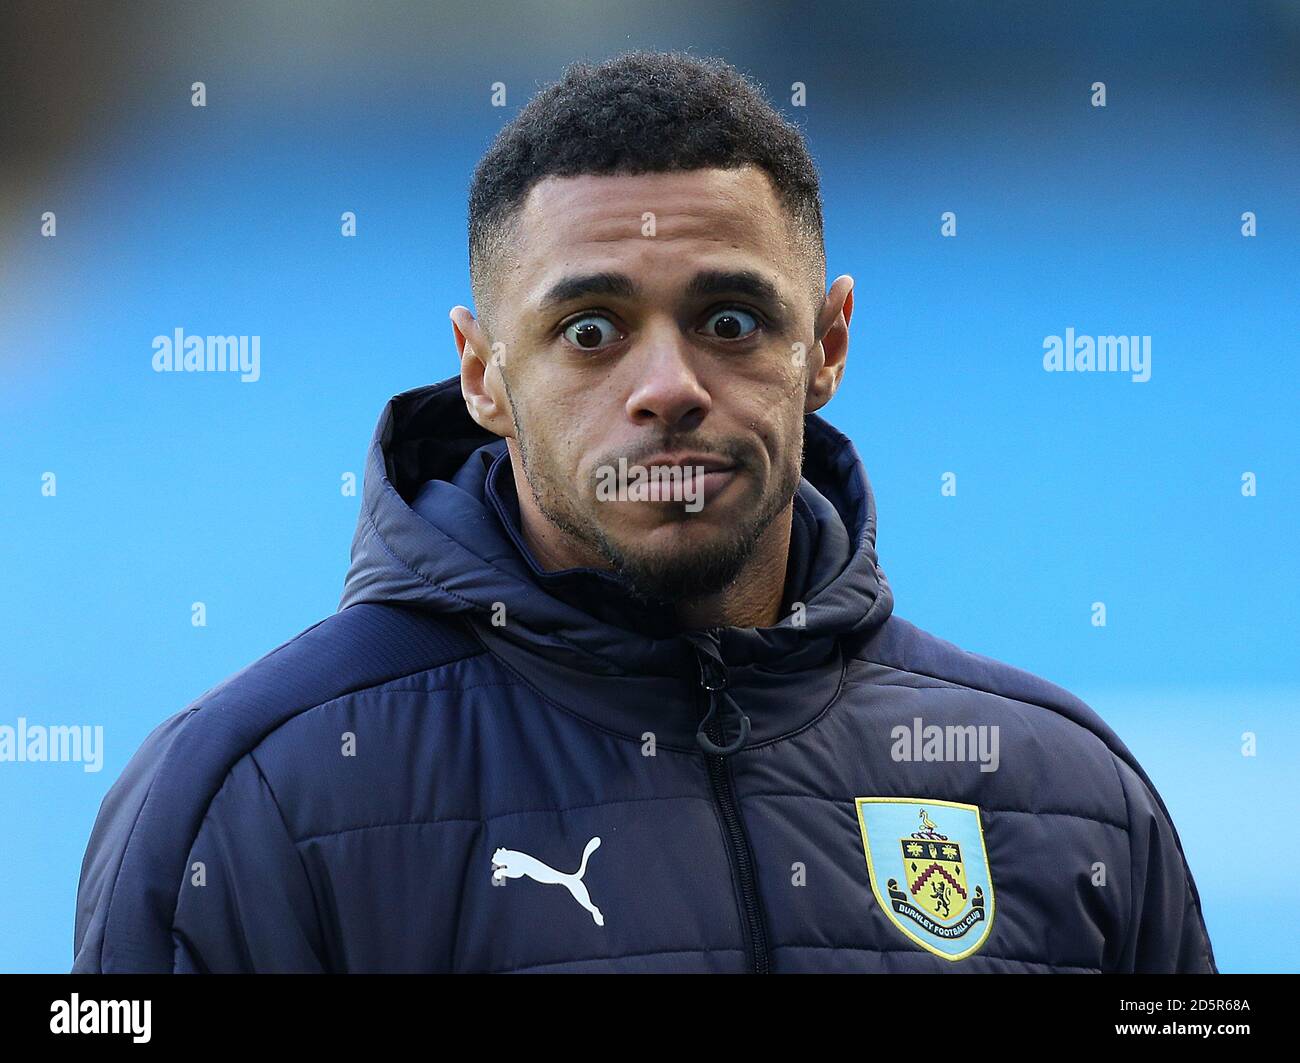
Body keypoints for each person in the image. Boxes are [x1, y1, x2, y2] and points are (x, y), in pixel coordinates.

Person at [72, 50, 1216, 973]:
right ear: (482, 374)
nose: (665, 385)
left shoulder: (1065, 798)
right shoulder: (258, 800)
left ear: (826, 344)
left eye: (729, 321)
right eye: (589, 331)